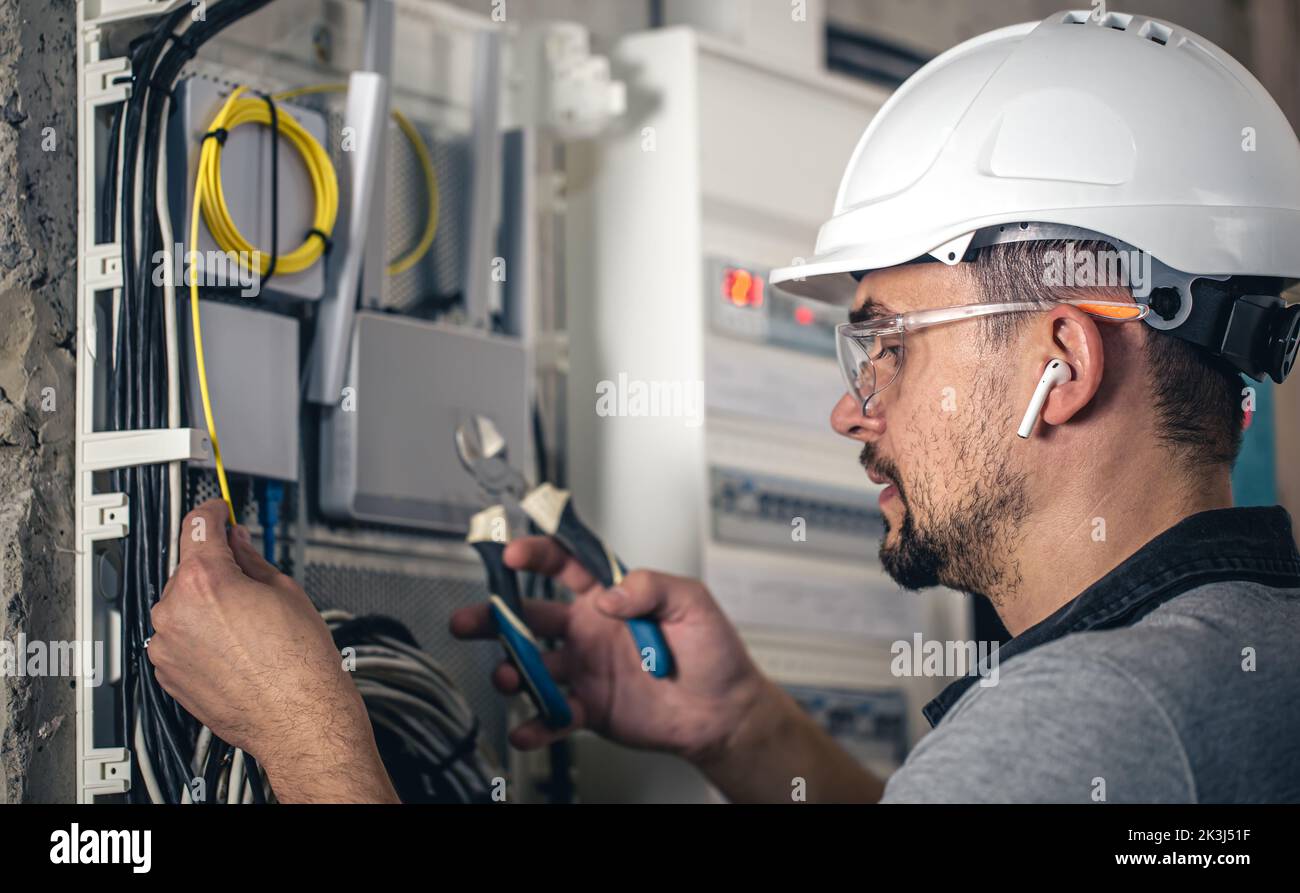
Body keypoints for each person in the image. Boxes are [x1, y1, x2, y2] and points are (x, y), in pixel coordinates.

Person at [149, 11, 1300, 803]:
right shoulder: (1240, 660)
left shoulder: (1087, 725)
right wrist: (743, 725)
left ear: (1064, 362)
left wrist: (305, 734)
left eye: (888, 344)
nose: (854, 413)